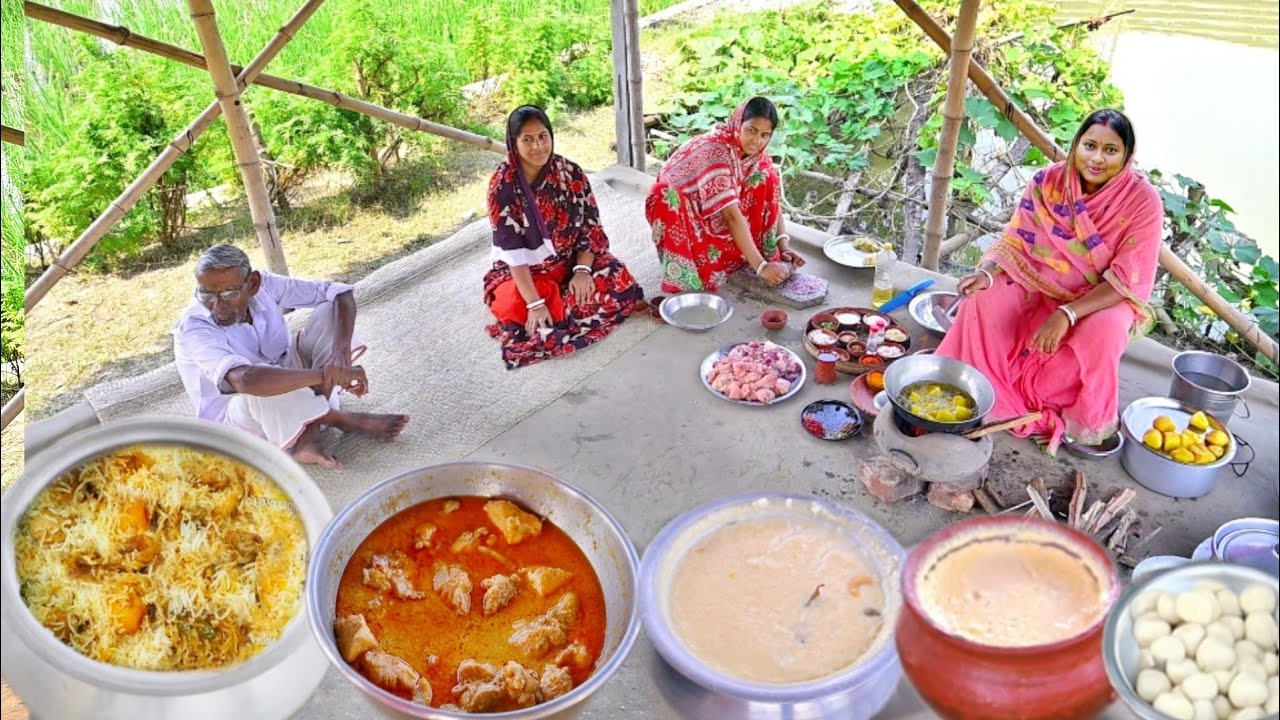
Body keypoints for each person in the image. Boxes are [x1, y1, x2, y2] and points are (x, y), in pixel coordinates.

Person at [936, 108, 1163, 456]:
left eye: (1110, 150)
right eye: (1089, 146)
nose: (1096, 159)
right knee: (983, 297)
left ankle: (1068, 412)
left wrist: (1067, 314)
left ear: (1127, 155)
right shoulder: (1049, 182)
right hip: (1039, 282)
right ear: (1076, 145)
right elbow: (1016, 241)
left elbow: (1125, 280)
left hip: (1101, 297)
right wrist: (987, 273)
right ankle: (989, 386)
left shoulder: (1142, 201)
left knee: (1106, 331)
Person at [174, 244, 409, 468]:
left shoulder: (265, 285)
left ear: (252, 284)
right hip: (241, 417)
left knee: (329, 311)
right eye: (206, 293)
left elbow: (339, 293)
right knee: (263, 379)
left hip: (288, 385)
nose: (217, 305)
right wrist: (328, 374)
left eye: (229, 293)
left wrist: (340, 356)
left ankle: (310, 432)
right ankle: (339, 419)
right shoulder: (194, 326)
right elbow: (245, 380)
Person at [483, 105, 644, 368]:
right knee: (515, 306)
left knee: (618, 279)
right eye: (527, 139)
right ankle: (557, 311)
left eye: (542, 136)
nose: (538, 146)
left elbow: (590, 228)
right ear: (513, 143)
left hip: (569, 262)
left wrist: (582, 270)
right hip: (525, 274)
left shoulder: (570, 173)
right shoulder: (503, 186)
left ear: (551, 135)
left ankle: (565, 309)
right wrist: (535, 303)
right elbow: (512, 253)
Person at [646, 96, 805, 294]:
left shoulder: (754, 155)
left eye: (765, 135)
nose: (757, 141)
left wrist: (784, 247)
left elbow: (772, 200)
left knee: (766, 176)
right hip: (685, 214)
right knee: (663, 194)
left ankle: (749, 254)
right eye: (751, 130)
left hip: (715, 209)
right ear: (738, 123)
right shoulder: (717, 151)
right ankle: (689, 269)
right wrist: (761, 267)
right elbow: (731, 216)